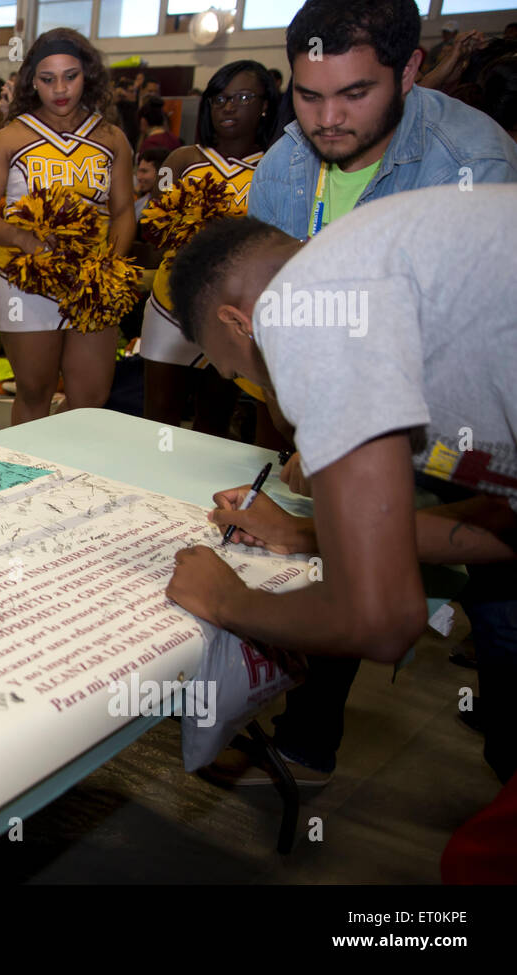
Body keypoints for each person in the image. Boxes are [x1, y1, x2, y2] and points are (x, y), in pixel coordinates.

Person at [196, 0, 517, 791]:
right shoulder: (281, 167)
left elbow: (383, 616)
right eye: (307, 97)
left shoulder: (474, 160)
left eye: (355, 94)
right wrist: (319, 516)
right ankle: (310, 744)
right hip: (427, 433)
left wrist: (229, 601)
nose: (327, 119)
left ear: (410, 71)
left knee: (502, 621)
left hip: (464, 430)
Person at [0, 28, 135, 425]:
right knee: (34, 391)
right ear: (32, 82)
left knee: (91, 396)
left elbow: (125, 210)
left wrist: (107, 266)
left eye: (71, 76)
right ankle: (29, 479)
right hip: (24, 282)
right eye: (47, 79)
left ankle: (70, 474)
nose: (60, 88)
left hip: (89, 282)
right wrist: (22, 239)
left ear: (88, 77)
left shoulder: (112, 139)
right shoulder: (10, 138)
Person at [139, 60, 280, 435]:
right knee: (159, 422)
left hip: (234, 312)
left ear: (266, 105)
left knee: (215, 422)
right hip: (171, 305)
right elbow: (152, 234)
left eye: (243, 97)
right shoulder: (182, 160)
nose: (229, 107)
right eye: (219, 98)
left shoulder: (276, 167)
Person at [131, 145, 168, 220]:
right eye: (138, 171)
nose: (138, 177)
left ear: (161, 173)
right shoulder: (141, 202)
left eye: (144, 171)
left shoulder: (171, 208)